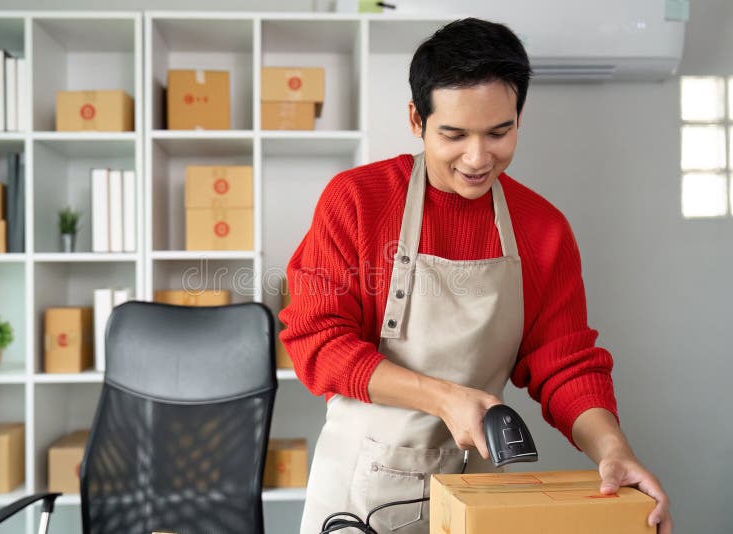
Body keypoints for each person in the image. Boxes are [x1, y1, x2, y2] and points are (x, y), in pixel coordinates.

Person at [279, 17, 672, 534]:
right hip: (362, 482)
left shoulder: (542, 228)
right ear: (416, 120)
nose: (478, 157)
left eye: (498, 132)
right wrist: (444, 397)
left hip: (479, 490)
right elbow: (317, 340)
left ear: (519, 117)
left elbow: (565, 363)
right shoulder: (356, 201)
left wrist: (613, 448)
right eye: (454, 134)